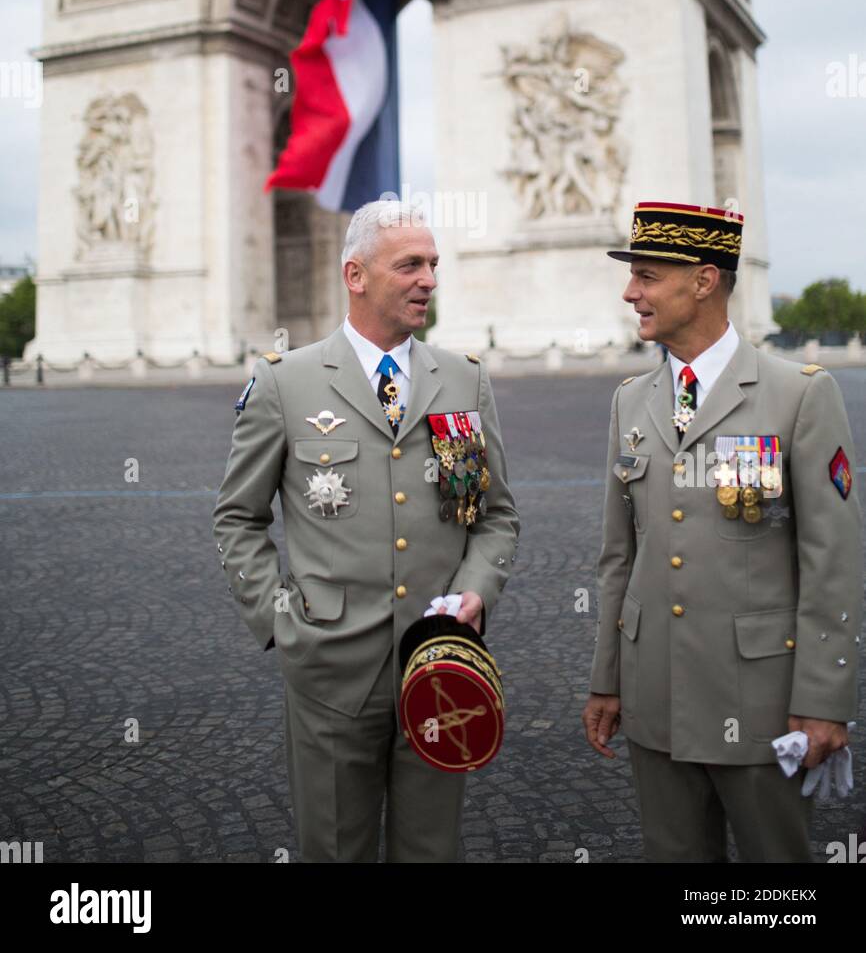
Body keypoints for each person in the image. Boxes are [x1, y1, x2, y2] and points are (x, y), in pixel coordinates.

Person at [213, 199, 519, 862]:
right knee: (333, 850)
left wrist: (477, 589)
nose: (429, 280)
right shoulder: (284, 383)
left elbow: (493, 516)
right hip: (328, 672)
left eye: (433, 265)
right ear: (355, 275)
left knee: (431, 853)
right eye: (410, 264)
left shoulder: (464, 380)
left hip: (440, 669)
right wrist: (279, 621)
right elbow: (237, 516)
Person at [582, 200, 862, 863]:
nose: (631, 293)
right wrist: (607, 679)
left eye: (647, 276)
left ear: (704, 281)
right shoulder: (630, 399)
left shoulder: (798, 395)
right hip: (654, 699)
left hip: (761, 703)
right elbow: (618, 556)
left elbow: (832, 560)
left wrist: (824, 699)